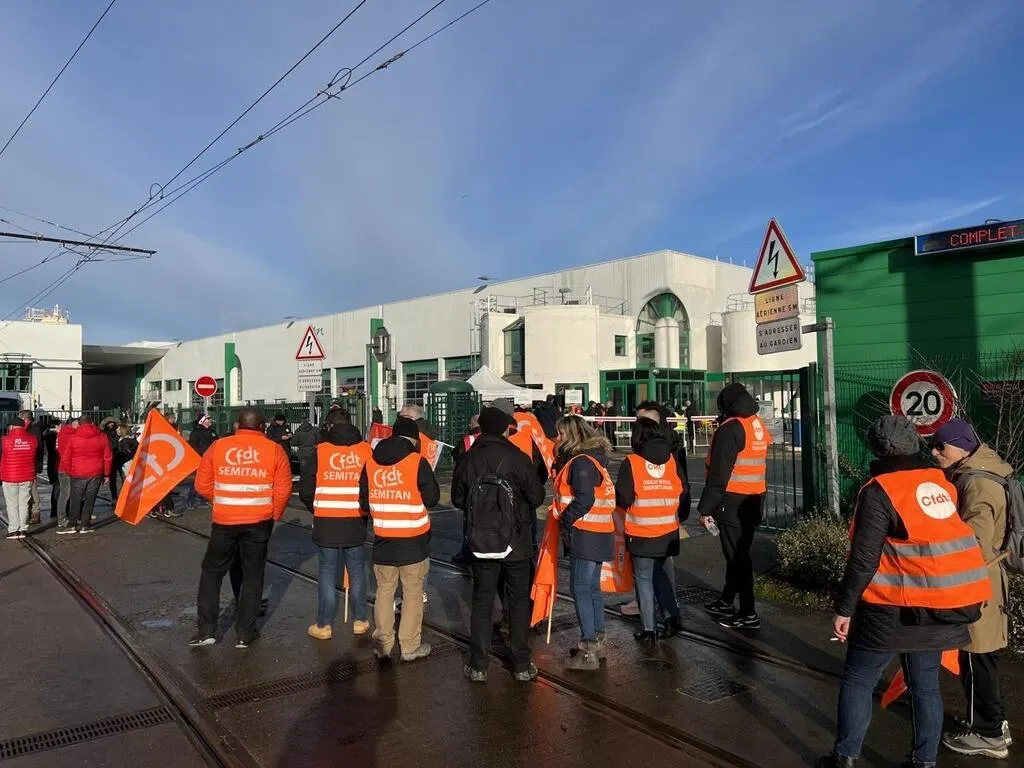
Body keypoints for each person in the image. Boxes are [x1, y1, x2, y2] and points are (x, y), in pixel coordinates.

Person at [817, 415, 991, 768]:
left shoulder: (879, 490)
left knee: (859, 679)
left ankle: (845, 758)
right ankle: (924, 761)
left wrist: (844, 609)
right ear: (915, 445)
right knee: (925, 685)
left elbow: (863, 560)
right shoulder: (941, 482)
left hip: (890, 610)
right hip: (940, 607)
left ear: (877, 449)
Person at [930, 419, 1013, 759]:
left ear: (962, 447)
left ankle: (988, 734)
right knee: (983, 658)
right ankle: (993, 723)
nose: (935, 453)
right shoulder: (984, 471)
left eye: (941, 447)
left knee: (976, 657)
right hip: (987, 576)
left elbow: (974, 542)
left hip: (978, 581)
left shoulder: (977, 484)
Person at [452, 406, 546, 682]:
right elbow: (537, 497)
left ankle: (478, 664)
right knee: (517, 603)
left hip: (481, 541)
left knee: (482, 601)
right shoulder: (517, 457)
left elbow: (458, 498)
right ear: (506, 429)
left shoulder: (470, 459)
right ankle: (521, 664)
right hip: (516, 541)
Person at [190, 407, 292, 648]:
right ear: (262, 427)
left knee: (212, 572)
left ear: (238, 425)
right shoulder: (274, 450)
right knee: (253, 574)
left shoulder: (219, 447)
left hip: (225, 521)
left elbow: (202, 484)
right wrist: (273, 514)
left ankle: (206, 631)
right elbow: (283, 489)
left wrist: (222, 501)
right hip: (259, 522)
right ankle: (245, 633)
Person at [359, 417, 440, 662]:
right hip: (413, 539)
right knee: (412, 593)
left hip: (383, 538)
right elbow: (433, 498)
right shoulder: (417, 462)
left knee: (384, 591)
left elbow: (363, 501)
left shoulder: (371, 462)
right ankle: (409, 646)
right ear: (414, 438)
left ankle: (383, 644)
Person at [698, 383, 770, 630]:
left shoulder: (731, 429)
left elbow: (719, 474)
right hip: (755, 497)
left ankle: (748, 613)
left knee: (738, 558)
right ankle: (727, 600)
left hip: (733, 501)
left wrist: (706, 508)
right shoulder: (756, 423)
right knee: (737, 553)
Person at [299, 409, 372, 640]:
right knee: (358, 571)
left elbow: (306, 489)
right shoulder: (365, 450)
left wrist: (316, 507)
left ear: (329, 426)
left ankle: (324, 625)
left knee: (328, 572)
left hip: (326, 521)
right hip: (355, 520)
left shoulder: (321, 452)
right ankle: (360, 620)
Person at [552, 415, 615, 671]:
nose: (557, 439)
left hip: (586, 532)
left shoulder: (580, 463)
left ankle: (588, 647)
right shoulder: (595, 459)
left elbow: (584, 498)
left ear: (572, 435)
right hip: (600, 531)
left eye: (560, 434)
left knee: (580, 589)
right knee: (591, 588)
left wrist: (565, 520)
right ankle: (597, 639)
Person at [616, 417, 687, 643]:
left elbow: (624, 497)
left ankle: (649, 629)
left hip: (642, 531)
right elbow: (683, 490)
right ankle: (672, 616)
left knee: (644, 580)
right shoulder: (671, 461)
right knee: (661, 575)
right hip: (668, 530)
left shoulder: (632, 462)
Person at [62, 414, 112, 534]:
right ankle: (85, 524)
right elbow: (108, 457)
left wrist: (69, 471)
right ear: (92, 422)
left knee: (75, 499)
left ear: (79, 424)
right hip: (96, 471)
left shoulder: (73, 438)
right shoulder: (102, 437)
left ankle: (72, 524)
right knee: (90, 499)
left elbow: (66, 457)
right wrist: (106, 474)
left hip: (78, 472)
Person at [451, 414, 482, 567]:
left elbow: (457, 457)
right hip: (493, 488)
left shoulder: (467, 441)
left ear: (472, 425)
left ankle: (467, 550)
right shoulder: (498, 439)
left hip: (471, 487)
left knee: (469, 521)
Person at [2, 419, 39, 539]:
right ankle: (23, 529)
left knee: (12, 503)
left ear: (11, 426)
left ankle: (13, 530)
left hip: (9, 476)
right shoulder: (33, 439)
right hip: (27, 476)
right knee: (24, 503)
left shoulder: (4, 440)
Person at [186, 414, 217, 508]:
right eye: (208, 419)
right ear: (203, 421)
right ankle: (190, 500)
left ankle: (206, 499)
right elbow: (193, 446)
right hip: (201, 459)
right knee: (198, 479)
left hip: (212, 459)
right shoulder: (196, 432)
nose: (210, 420)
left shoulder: (212, 431)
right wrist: (201, 454)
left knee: (210, 480)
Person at [21, 411, 44, 525]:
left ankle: (35, 512)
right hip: (26, 464)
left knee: (32, 488)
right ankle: (31, 511)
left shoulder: (34, 429)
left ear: (24, 419)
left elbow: (38, 448)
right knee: (28, 488)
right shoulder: (27, 429)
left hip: (32, 463)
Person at [55, 418, 78, 529]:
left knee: (65, 494)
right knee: (65, 495)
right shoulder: (71, 435)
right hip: (68, 469)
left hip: (64, 468)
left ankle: (63, 518)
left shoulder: (64, 433)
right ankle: (62, 519)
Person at [100, 418, 121, 500]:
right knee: (112, 478)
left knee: (120, 478)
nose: (111, 424)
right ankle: (114, 497)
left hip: (118, 457)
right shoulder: (104, 434)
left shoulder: (118, 432)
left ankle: (117, 497)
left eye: (112, 423)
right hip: (111, 457)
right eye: (109, 423)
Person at [44, 418, 60, 520]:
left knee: (56, 488)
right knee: (57, 489)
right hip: (56, 465)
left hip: (52, 465)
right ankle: (55, 510)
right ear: (56, 426)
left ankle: (54, 510)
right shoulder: (53, 436)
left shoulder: (47, 435)